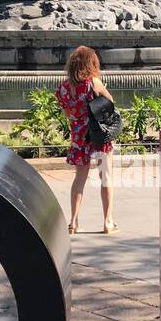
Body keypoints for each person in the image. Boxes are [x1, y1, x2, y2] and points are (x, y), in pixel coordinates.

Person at [56, 45, 117, 235]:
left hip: (79, 138)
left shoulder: (63, 88)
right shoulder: (94, 83)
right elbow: (110, 103)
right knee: (105, 176)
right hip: (98, 136)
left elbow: (68, 114)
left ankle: (73, 222)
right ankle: (107, 222)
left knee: (79, 179)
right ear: (91, 64)